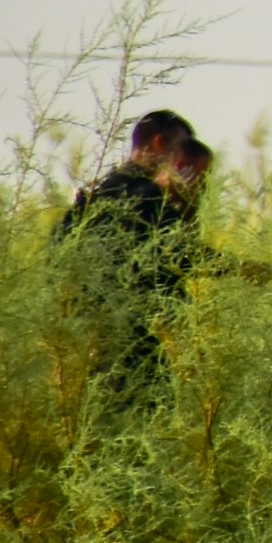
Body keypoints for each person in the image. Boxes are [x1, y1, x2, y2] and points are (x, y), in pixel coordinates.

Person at [54, 108, 211, 399]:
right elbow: (181, 258)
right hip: (128, 345)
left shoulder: (103, 192)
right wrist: (245, 268)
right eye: (182, 155)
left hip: (91, 340)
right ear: (161, 144)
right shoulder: (145, 195)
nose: (185, 169)